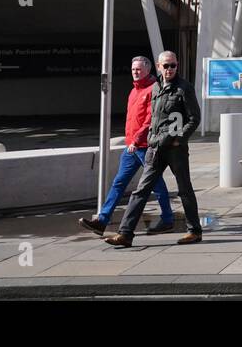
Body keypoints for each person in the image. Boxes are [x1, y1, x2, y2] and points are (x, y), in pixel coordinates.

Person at [105, 51, 202, 246]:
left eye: (172, 65)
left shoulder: (184, 88)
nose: (169, 69)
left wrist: (179, 138)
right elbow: (154, 119)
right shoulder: (156, 87)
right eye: (165, 66)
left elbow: (194, 118)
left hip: (176, 149)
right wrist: (150, 137)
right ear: (159, 67)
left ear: (177, 65)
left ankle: (194, 231)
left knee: (185, 189)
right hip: (155, 148)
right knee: (141, 191)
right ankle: (125, 234)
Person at [78, 56, 175, 236]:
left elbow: (150, 120)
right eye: (133, 69)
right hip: (132, 147)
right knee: (119, 183)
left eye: (138, 69)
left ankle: (168, 219)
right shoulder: (134, 91)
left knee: (156, 183)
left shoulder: (153, 89)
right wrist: (131, 141)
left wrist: (137, 140)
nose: (135, 72)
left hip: (145, 146)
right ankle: (102, 220)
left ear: (147, 70)